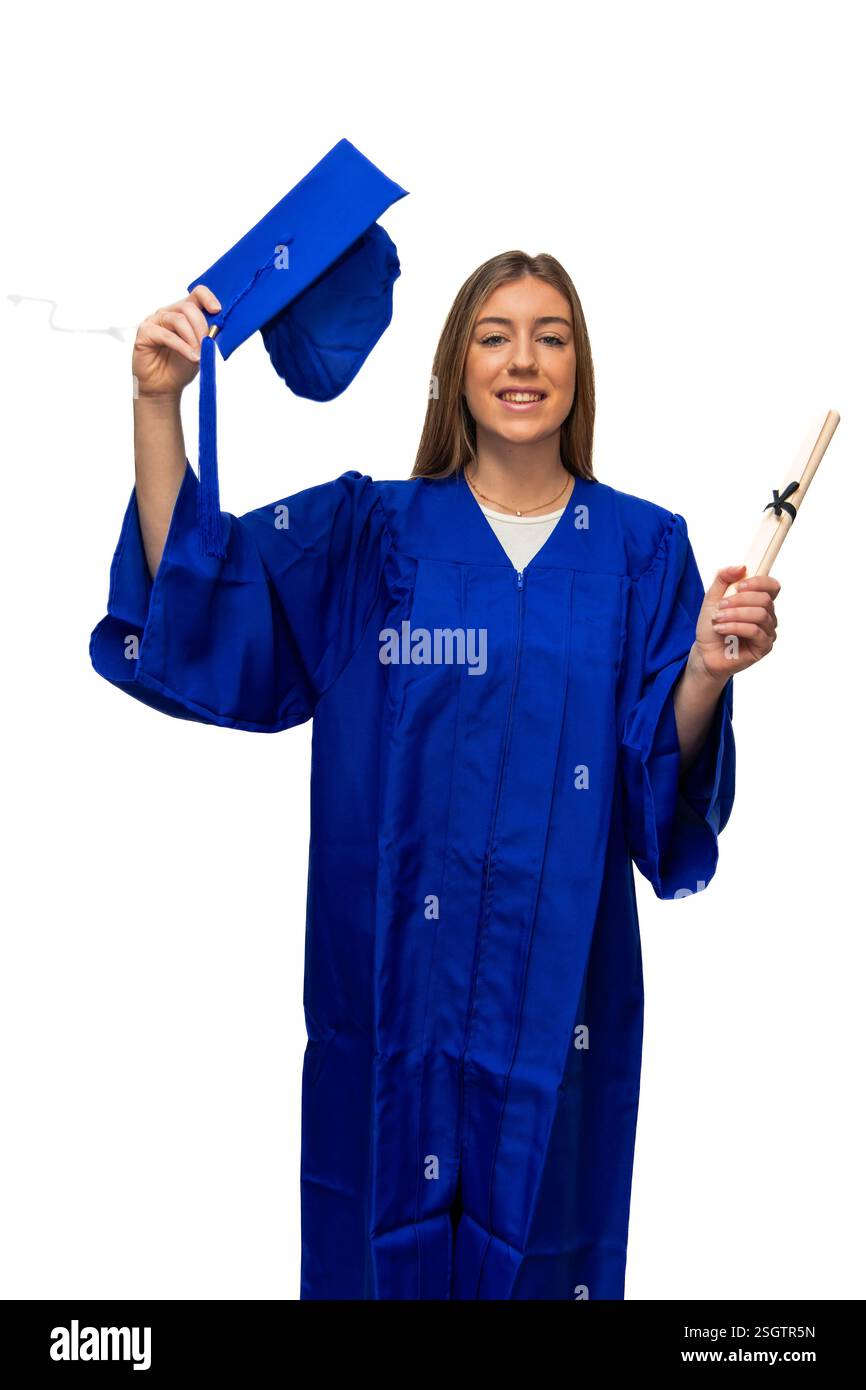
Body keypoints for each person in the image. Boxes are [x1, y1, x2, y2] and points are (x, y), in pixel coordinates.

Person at [90, 250, 779, 1300]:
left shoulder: (641, 550)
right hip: (391, 1004)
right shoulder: (371, 534)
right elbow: (207, 602)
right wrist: (156, 405)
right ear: (453, 367)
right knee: (374, 1241)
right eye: (493, 335)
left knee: (543, 1249)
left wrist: (700, 670)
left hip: (557, 1009)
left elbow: (659, 794)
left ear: (578, 372)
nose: (521, 360)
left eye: (550, 337)